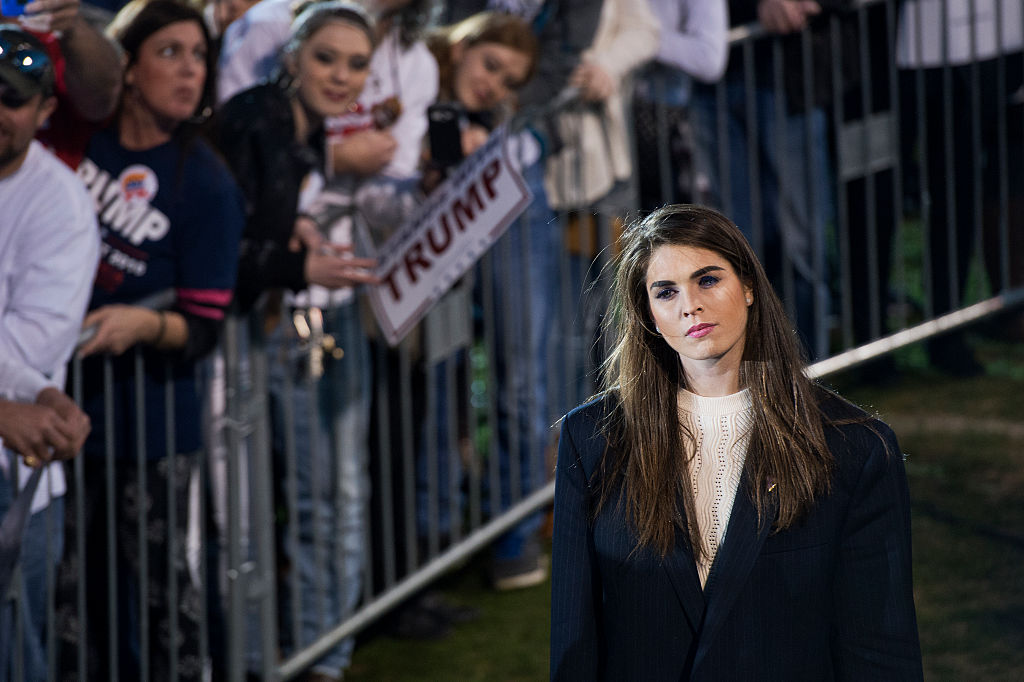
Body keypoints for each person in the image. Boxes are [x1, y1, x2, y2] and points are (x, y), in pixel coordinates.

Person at [549, 204, 923, 680]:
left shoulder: (855, 449)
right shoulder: (591, 440)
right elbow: (573, 645)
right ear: (648, 314)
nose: (690, 305)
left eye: (707, 280)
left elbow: (880, 650)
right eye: (666, 292)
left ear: (748, 287)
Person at [54, 1, 245, 679]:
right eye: (170, 52)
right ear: (127, 68)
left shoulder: (209, 182)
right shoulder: (76, 138)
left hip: (153, 424)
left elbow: (204, 325)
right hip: (59, 415)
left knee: (164, 594)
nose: (190, 69)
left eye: (200, 55)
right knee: (68, 591)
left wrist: (142, 324)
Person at [216, 4, 379, 680]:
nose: (340, 76)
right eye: (325, 58)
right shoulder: (263, 117)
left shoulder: (294, 127)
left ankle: (314, 658)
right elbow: (223, 251)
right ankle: (266, 659)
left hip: (257, 335)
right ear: (292, 57)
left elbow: (258, 220)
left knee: (309, 501)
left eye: (356, 64)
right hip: (219, 350)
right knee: (241, 518)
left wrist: (298, 232)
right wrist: (299, 266)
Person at [0, 24, 98, 681]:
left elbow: (28, 345)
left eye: (10, 98)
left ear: (44, 112)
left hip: (12, 484)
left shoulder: (60, 202)